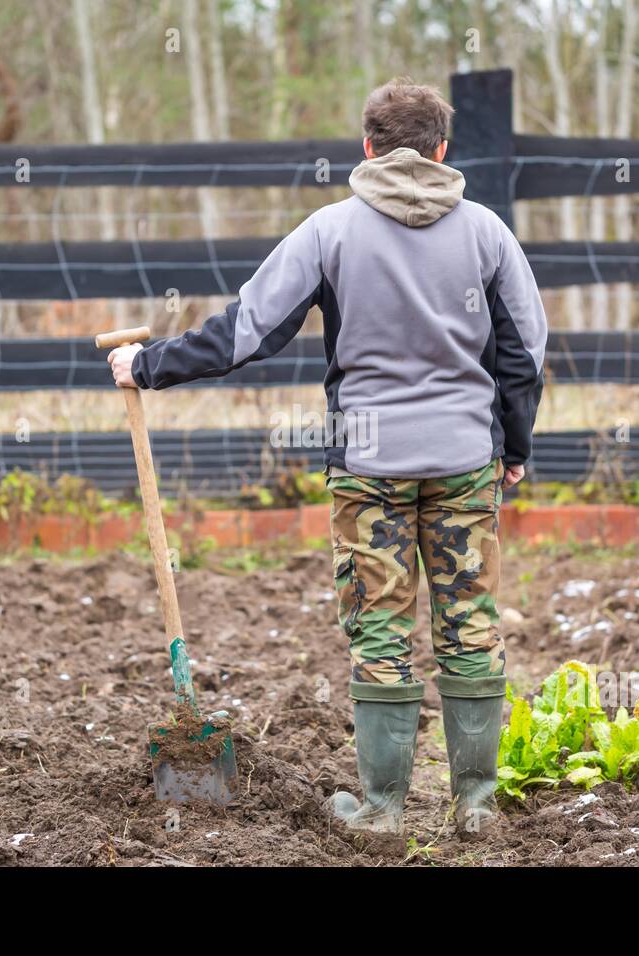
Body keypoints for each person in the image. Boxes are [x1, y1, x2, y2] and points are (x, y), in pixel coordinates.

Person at [108, 76, 547, 843]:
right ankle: (475, 806)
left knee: (379, 626)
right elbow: (524, 352)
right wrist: (513, 444)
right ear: (443, 150)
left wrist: (149, 366)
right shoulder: (487, 234)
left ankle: (380, 811)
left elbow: (247, 331)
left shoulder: (329, 232)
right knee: (470, 622)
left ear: (367, 148)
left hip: (370, 459)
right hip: (464, 456)